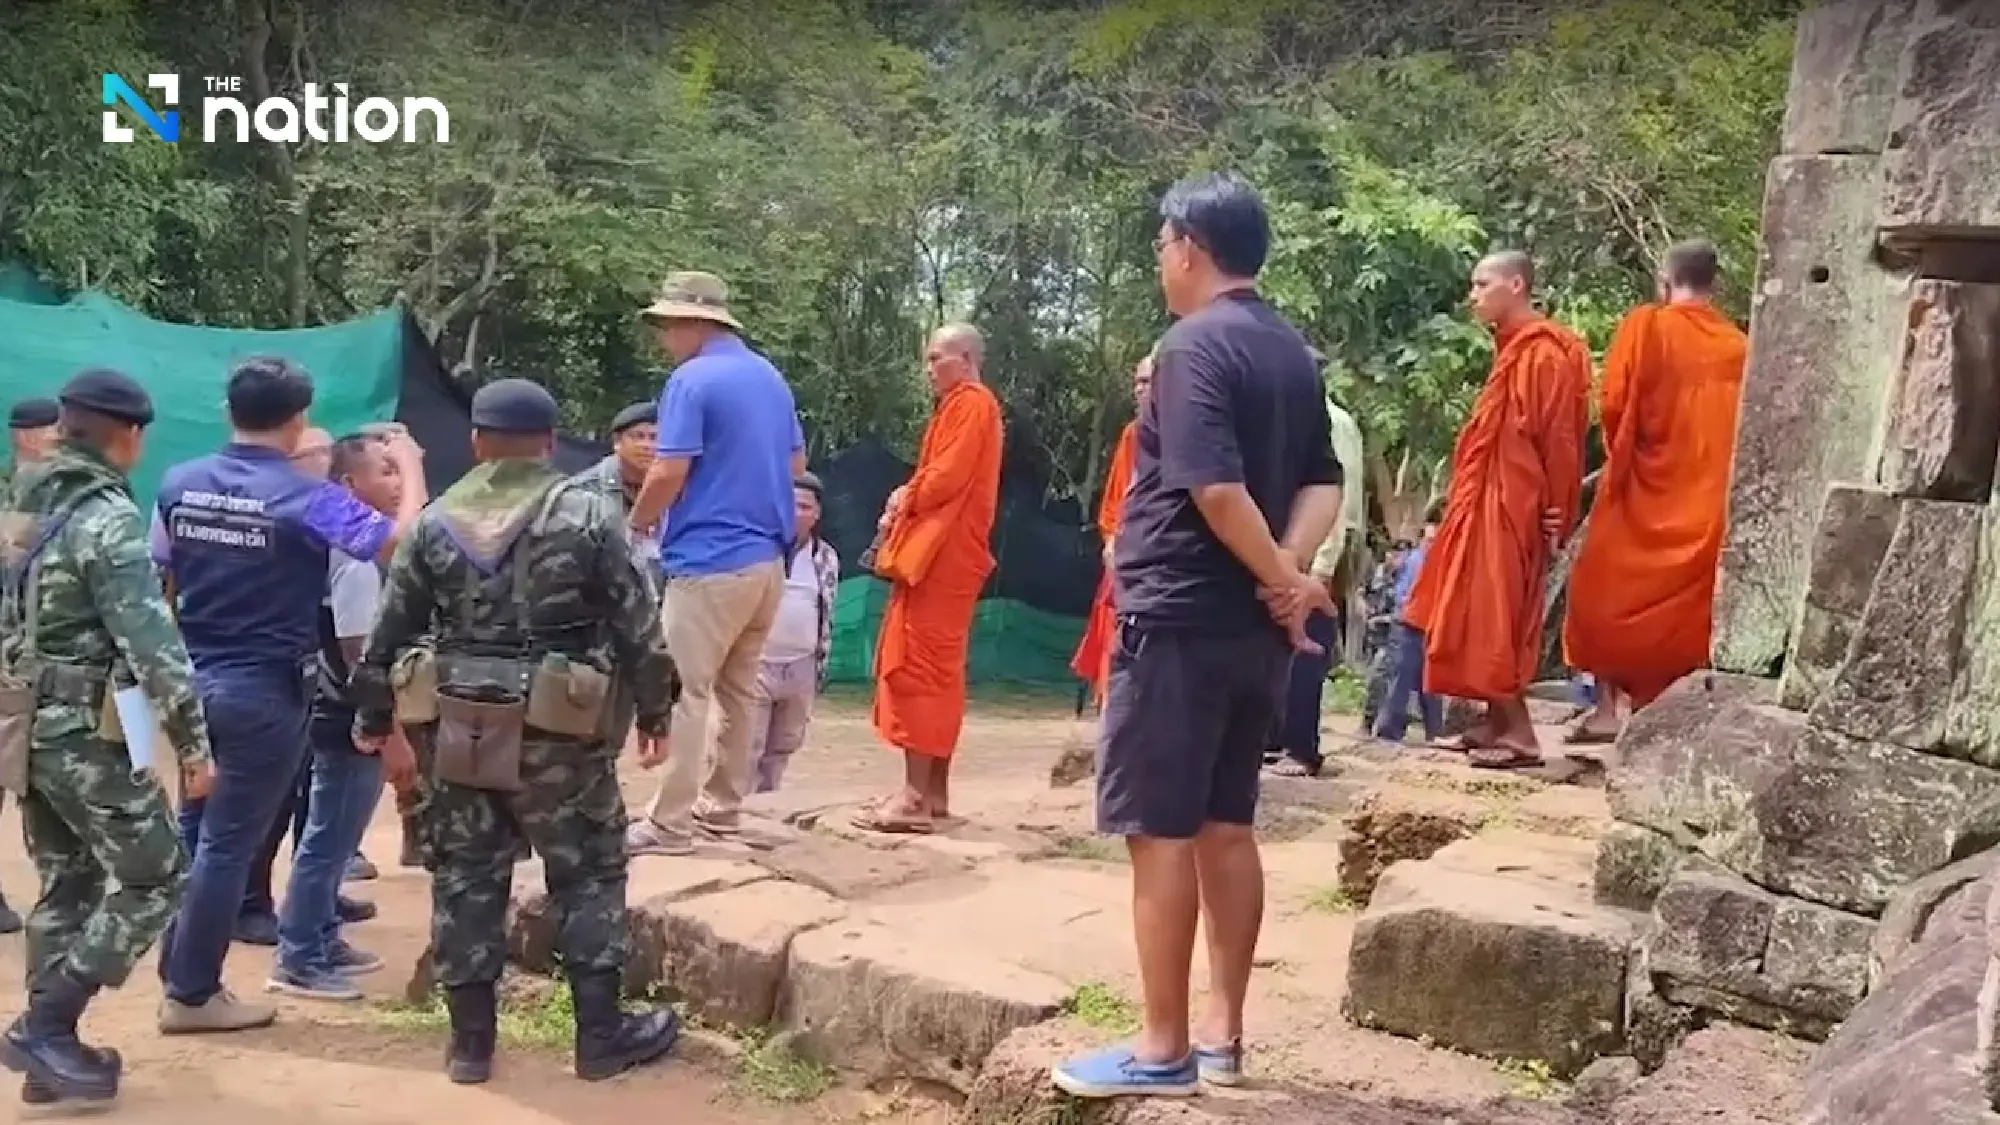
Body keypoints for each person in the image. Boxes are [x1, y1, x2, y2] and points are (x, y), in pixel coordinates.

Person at [1052, 172, 1341, 1099]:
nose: (1159, 262)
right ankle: (1222, 1036)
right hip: (1253, 635)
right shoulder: (1293, 352)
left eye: (1161, 246)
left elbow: (1214, 491)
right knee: (1227, 825)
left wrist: (1277, 577)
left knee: (1161, 833)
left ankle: (1163, 1047)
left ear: (1188, 245)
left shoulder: (1190, 347)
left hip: (1177, 620)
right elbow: (1321, 482)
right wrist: (1290, 580)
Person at [350, 378, 680, 1085]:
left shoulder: (436, 521)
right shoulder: (588, 513)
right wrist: (655, 710)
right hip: (561, 730)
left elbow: (388, 634)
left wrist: (376, 718)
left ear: (476, 441)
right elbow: (638, 626)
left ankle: (470, 1046)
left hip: (457, 724)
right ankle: (599, 1037)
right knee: (588, 870)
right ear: (551, 443)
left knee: (467, 874)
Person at [151, 358, 427, 1035]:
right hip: (264, 690)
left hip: (191, 678)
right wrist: (410, 467)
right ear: (300, 419)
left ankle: (178, 966)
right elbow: (402, 545)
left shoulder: (179, 482)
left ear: (228, 411)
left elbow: (162, 579)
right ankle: (190, 991)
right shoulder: (309, 498)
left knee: (197, 834)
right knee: (229, 845)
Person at [0, 370, 214, 1104]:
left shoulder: (20, 501)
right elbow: (153, 643)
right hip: (86, 731)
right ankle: (46, 1024)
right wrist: (193, 746)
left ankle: (48, 1069)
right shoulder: (107, 518)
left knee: (67, 882)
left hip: (25, 720)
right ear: (127, 436)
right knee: (159, 873)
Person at [625, 272, 805, 856]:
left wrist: (639, 521)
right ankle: (722, 806)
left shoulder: (692, 379)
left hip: (710, 559)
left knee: (685, 690)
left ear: (694, 323)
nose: (663, 337)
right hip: (767, 563)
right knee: (737, 690)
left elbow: (669, 469)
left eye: (668, 324)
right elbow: (797, 460)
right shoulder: (770, 378)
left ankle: (669, 823)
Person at [1403, 251, 1590, 769]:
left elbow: (1559, 439)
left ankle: (1522, 736)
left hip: (1517, 502)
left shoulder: (1543, 354)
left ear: (1516, 284)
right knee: (1469, 604)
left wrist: (1559, 505)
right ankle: (1496, 721)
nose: (1473, 295)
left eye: (1483, 284)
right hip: (1488, 497)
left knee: (1496, 611)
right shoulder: (1512, 351)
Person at [1561, 239, 1748, 740]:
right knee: (1688, 615)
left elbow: (1615, 406)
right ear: (1717, 285)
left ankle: (1606, 711)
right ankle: (1667, 716)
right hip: (1708, 500)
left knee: (1598, 596)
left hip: (1642, 490)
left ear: (1664, 281)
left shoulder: (1648, 327)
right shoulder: (1740, 347)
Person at [269, 431, 421, 1000]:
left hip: (334, 706)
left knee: (333, 832)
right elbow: (360, 654)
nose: (398, 479)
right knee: (328, 838)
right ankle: (299, 957)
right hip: (348, 714)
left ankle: (321, 936)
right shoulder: (355, 557)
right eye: (387, 470)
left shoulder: (346, 540)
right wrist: (390, 732)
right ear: (350, 485)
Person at [851, 323, 1004, 835]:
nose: (928, 369)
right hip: (941, 558)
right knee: (935, 668)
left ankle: (915, 798)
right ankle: (931, 794)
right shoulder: (963, 406)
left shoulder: (972, 403)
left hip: (944, 558)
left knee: (920, 667)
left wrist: (905, 496)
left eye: (936, 358)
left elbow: (948, 476)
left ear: (965, 357)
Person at [1268, 380, 1366, 777]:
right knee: (1282, 641)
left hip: (1325, 547)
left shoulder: (1332, 422)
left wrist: (1324, 564)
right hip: (1299, 547)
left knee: (1308, 641)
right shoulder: (1298, 420)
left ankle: (1300, 746)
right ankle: (1276, 737)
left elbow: (1336, 496)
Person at [0, 395, 62, 936]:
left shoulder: (70, 496)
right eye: (50, 433)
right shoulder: (18, 495)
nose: (58, 442)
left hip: (44, 663)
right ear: (25, 436)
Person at [1070, 353, 1151, 707]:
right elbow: (1115, 503)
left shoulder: (1191, 432)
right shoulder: (1133, 435)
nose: (1139, 390)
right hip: (1127, 558)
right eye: (1137, 382)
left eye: (1148, 382)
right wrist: (1112, 543)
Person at [750, 472, 839, 792]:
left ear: (816, 514)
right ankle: (733, 811)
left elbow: (826, 610)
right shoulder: (756, 548)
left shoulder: (826, 556)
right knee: (746, 744)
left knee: (784, 745)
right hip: (755, 661)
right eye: (789, 504)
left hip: (802, 664)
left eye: (804, 506)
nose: (795, 512)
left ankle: (766, 805)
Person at [1373, 506, 1446, 744]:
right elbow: (1404, 592)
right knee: (1402, 681)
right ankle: (1389, 731)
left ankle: (1434, 732)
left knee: (1428, 685)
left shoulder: (1434, 557)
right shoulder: (1420, 558)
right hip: (1410, 623)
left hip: (1427, 624)